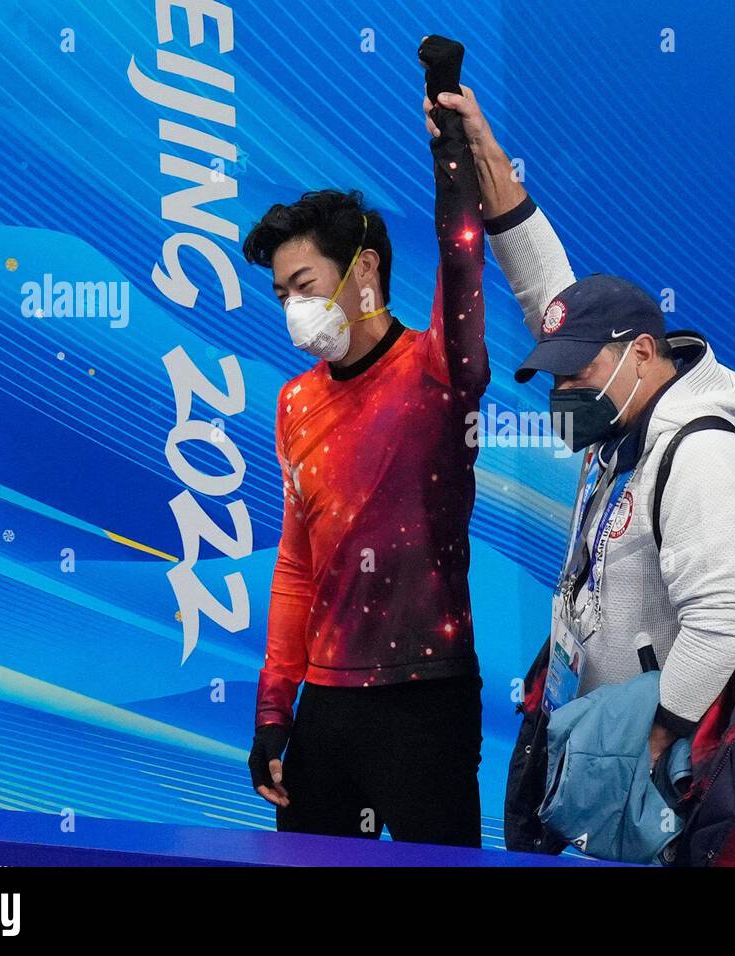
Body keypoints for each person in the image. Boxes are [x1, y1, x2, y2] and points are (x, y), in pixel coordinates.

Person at [424, 86, 735, 764]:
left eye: (575, 374)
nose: (561, 392)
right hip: (587, 738)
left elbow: (723, 627)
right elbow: (546, 293)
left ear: (643, 353)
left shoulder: (703, 457)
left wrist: (647, 751)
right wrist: (484, 155)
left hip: (650, 771)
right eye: (554, 376)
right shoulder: (624, 421)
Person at [242, 37, 486, 847]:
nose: (291, 309)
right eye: (279, 294)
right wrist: (276, 709)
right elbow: (295, 563)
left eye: (303, 286)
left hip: (428, 694)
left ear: (366, 271)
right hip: (327, 701)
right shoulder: (293, 401)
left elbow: (461, 262)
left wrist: (449, 149)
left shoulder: (440, 367)